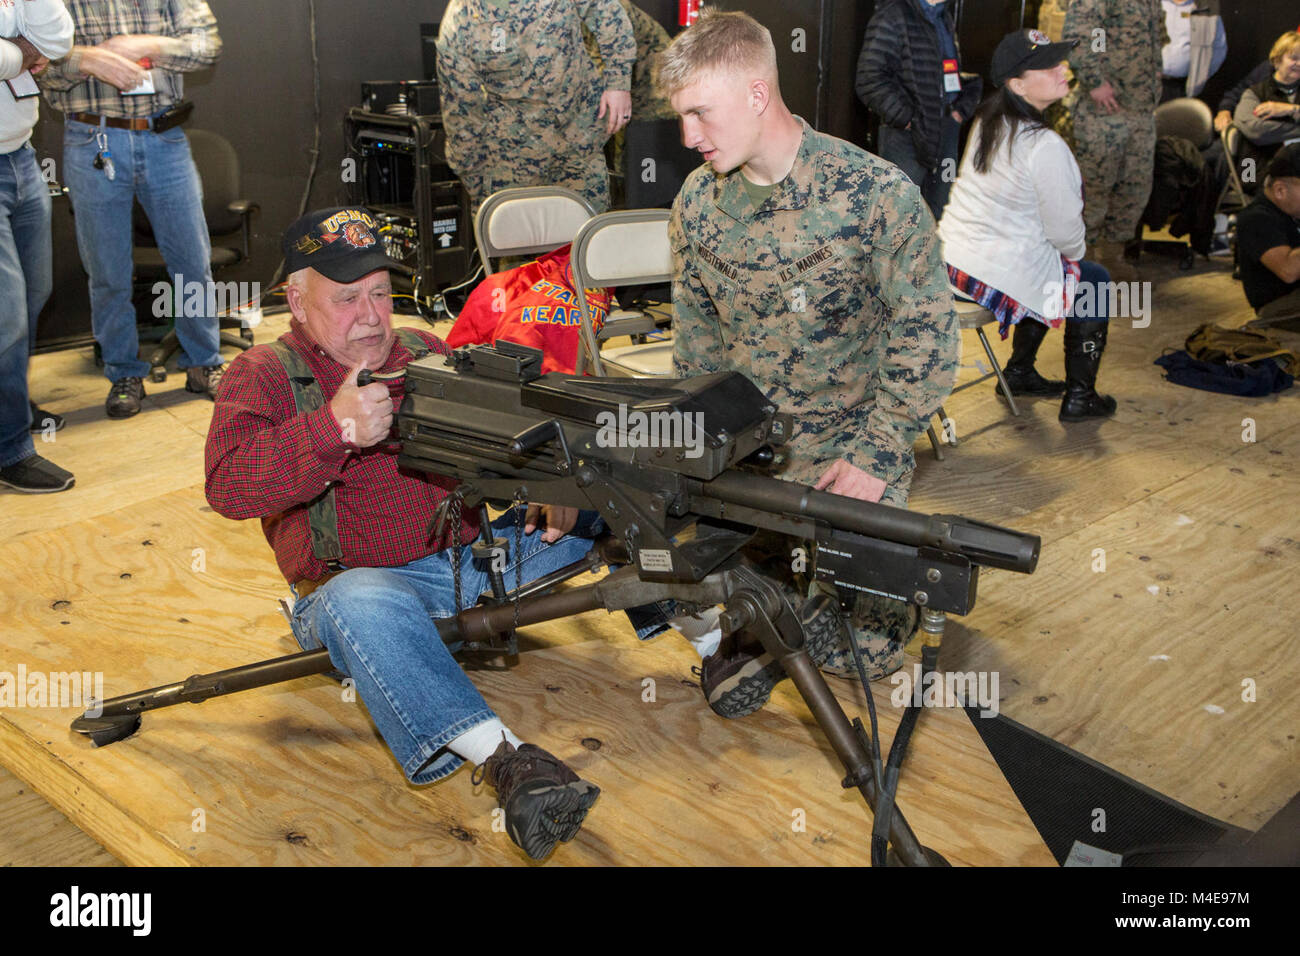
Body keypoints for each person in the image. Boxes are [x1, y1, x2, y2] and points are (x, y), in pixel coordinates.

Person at [205, 207, 604, 861]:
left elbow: (509, 441)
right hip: (355, 591)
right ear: (297, 301)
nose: (370, 314)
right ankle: (508, 763)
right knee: (360, 598)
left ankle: (714, 639)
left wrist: (554, 486)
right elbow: (227, 487)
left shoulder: (422, 349)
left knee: (609, 500)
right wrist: (329, 430)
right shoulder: (263, 375)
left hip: (473, 565)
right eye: (347, 298)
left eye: (381, 293)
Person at [660, 8, 959, 718]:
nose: (687, 137)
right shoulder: (697, 206)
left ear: (757, 94)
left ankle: (798, 615)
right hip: (752, 464)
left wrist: (878, 456)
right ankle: (783, 612)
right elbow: (697, 348)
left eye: (699, 113)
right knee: (662, 580)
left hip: (846, 461)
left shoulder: (874, 194)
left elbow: (926, 336)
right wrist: (695, 458)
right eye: (680, 118)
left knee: (871, 652)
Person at [36, 0, 224, 420]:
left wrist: (151, 44)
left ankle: (204, 363)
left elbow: (207, 46)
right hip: (93, 139)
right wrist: (86, 60)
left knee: (193, 262)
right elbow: (37, 65)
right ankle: (124, 371)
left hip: (165, 137)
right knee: (108, 272)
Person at [940, 29, 1118, 424]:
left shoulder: (989, 120)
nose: (1062, 70)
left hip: (953, 264)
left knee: (1048, 263)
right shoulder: (1045, 145)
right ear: (1017, 84)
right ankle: (1080, 397)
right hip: (990, 274)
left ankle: (1020, 372)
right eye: (1048, 66)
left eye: (1060, 61)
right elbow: (1068, 236)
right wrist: (1072, 259)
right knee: (1093, 279)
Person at [436, 0, 636, 214]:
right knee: (518, 243)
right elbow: (461, 113)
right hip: (513, 154)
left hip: (579, 137)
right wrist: (478, 187)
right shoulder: (459, 22)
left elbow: (606, 11)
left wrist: (618, 83)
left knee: (586, 237)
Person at [0, 0, 75, 494]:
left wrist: (20, 49)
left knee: (33, 294)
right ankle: (9, 448)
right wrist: (20, 54)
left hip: (20, 156)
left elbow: (59, 40)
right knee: (6, 315)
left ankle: (12, 403)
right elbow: (34, 50)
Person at [1063, 0, 1167, 281]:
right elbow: (1080, 35)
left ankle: (1112, 255)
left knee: (1134, 187)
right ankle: (1082, 262)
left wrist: (1156, 73)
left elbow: (1157, 35)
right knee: (1094, 187)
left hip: (1141, 110)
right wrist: (1094, 81)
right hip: (1104, 110)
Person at [855, 0, 982, 220]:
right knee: (899, 219)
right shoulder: (894, 14)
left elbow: (946, 73)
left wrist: (958, 113)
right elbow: (869, 80)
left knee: (938, 214)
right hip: (906, 137)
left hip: (945, 128)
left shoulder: (943, 16)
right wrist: (908, 120)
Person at [1237, 144, 1300, 325]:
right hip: (1278, 308)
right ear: (1280, 190)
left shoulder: (1292, 210)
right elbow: (1288, 271)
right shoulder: (1256, 218)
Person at [1233, 32, 1300, 196]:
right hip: (1254, 169)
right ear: (1277, 61)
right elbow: (1256, 131)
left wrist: (1290, 109)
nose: (1299, 63)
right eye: (1294, 58)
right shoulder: (1253, 94)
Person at [1159, 0, 1226, 103]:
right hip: (1143, 84)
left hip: (1181, 88)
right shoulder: (1149, 4)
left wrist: (1199, 76)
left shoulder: (1206, 9)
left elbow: (1219, 48)